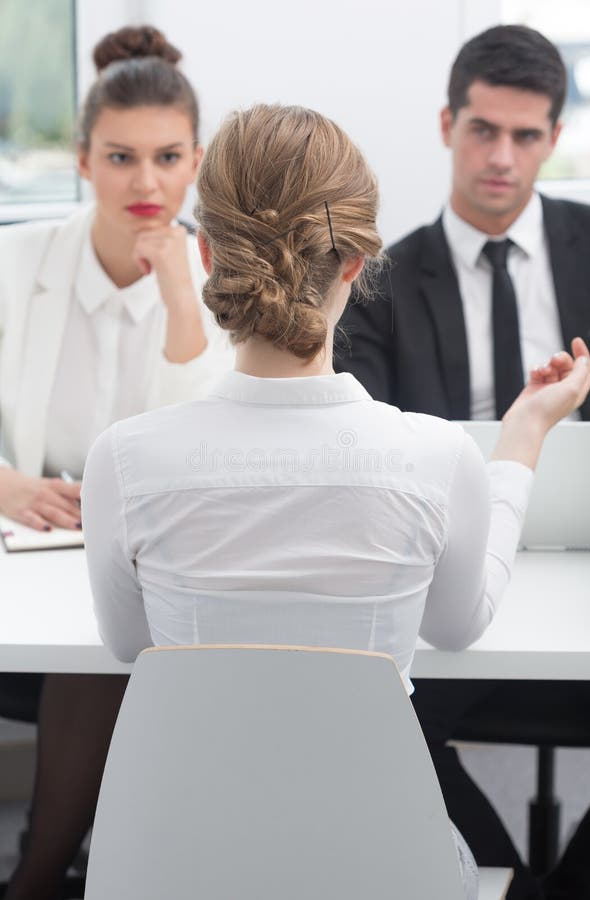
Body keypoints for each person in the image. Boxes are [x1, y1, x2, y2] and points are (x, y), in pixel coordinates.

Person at [80, 103, 590, 900]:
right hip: (385, 872)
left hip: (178, 866)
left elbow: (129, 646)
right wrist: (522, 437)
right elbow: (457, 626)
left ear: (209, 253)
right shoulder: (435, 458)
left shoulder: (124, 458)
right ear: (355, 261)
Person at [335, 24, 590, 900]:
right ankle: (519, 885)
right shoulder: (379, 282)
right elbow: (363, 437)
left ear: (554, 139)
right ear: (447, 123)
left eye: (526, 136)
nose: (502, 156)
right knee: (377, 723)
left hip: (584, 574)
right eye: (483, 129)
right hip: (442, 582)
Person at [0, 25, 232, 900]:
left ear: (196, 159)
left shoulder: (217, 278)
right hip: (27, 539)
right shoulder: (17, 259)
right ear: (83, 158)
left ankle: (45, 873)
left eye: (168, 157)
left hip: (155, 553)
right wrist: (7, 484)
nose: (146, 183)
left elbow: (204, 446)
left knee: (112, 640)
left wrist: (180, 295)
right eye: (120, 157)